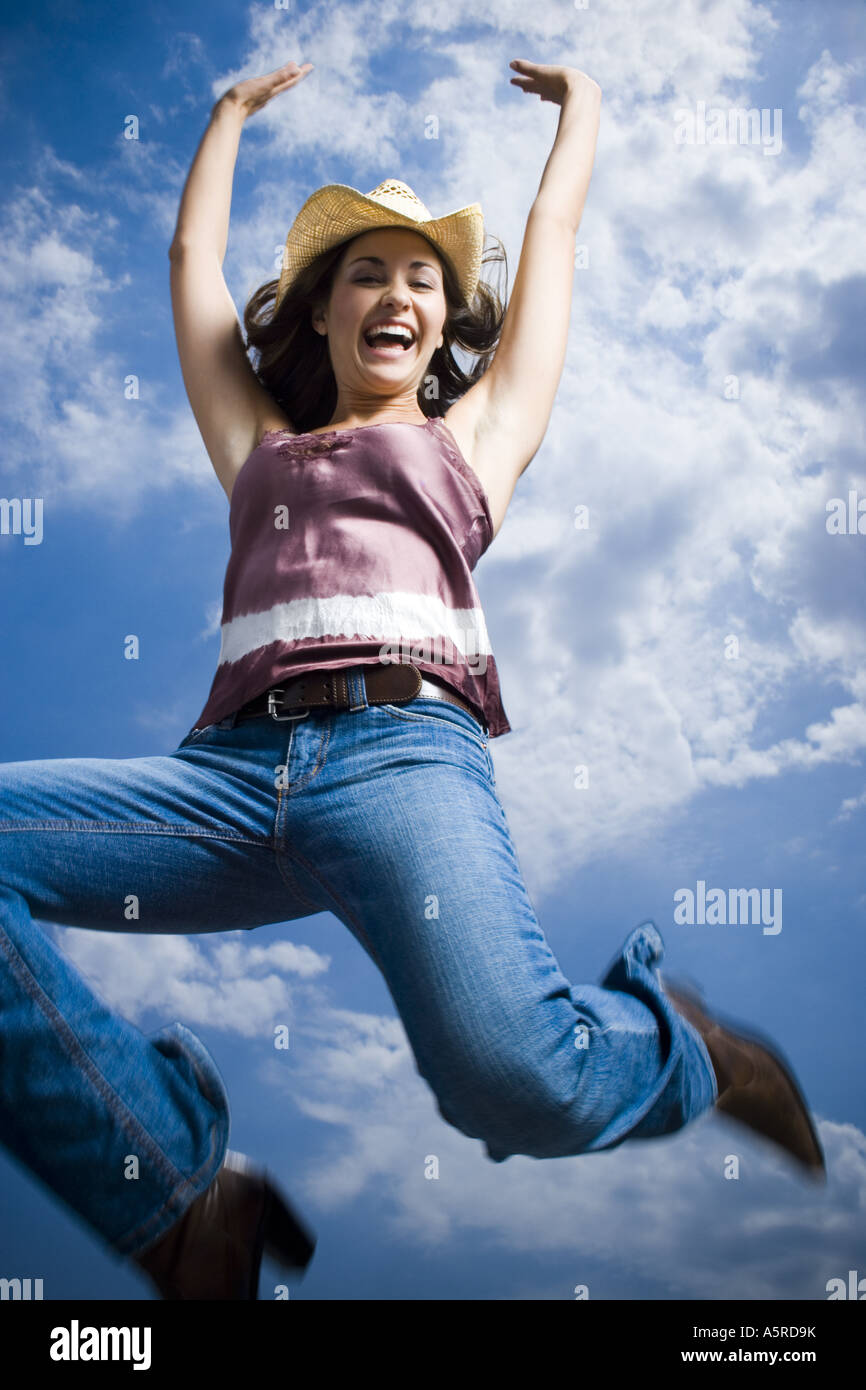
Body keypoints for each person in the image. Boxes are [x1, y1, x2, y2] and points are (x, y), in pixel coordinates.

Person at [0, 57, 824, 1304]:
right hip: (223, 781)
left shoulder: (472, 441)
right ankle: (169, 1192)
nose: (394, 293)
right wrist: (222, 120)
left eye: (420, 279)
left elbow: (551, 237)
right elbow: (191, 271)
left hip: (403, 766)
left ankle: (687, 1047)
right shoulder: (260, 446)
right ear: (322, 313)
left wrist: (584, 110)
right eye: (364, 274)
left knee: (509, 1082)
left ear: (441, 323)